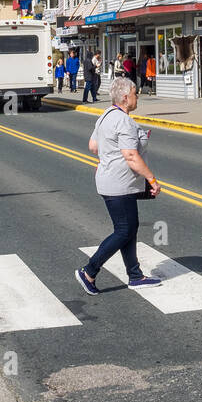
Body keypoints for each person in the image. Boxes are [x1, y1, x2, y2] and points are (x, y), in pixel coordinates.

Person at [76, 78, 162, 295]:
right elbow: (131, 156)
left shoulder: (105, 115)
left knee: (128, 229)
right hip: (119, 184)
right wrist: (152, 179)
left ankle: (135, 275)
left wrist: (109, 156)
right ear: (125, 98)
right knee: (124, 230)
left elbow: (93, 146)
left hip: (111, 181)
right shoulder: (123, 121)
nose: (137, 96)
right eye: (135, 93)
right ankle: (89, 271)